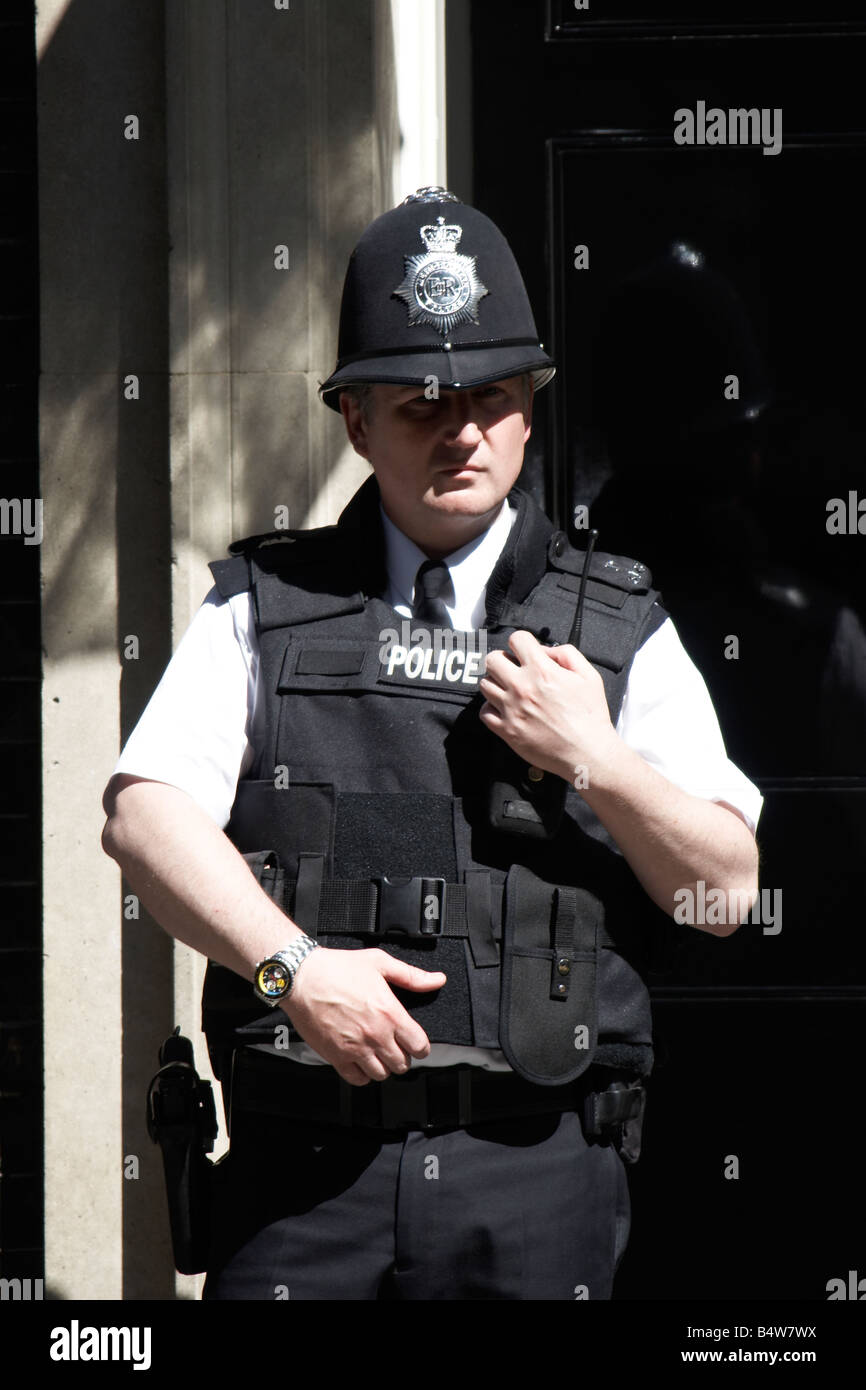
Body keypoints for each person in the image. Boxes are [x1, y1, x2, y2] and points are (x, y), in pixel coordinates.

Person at [102, 187, 761, 1301]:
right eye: (418, 404)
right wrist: (292, 967)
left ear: (526, 414)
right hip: (303, 1179)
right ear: (355, 421)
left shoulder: (616, 624)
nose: (459, 428)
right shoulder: (262, 608)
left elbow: (725, 889)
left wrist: (593, 757)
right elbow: (141, 814)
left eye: (487, 398)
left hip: (533, 1176)